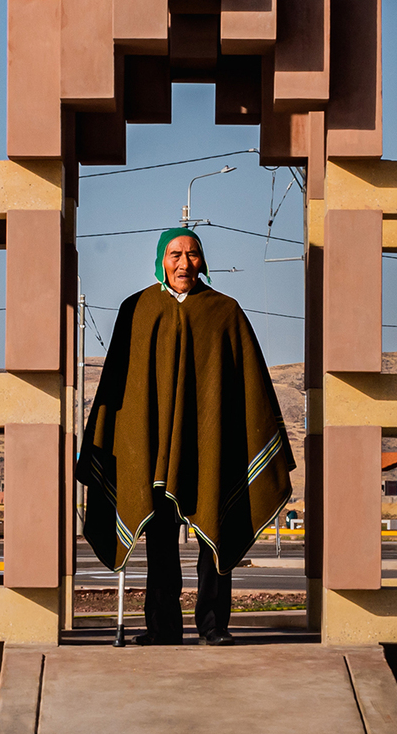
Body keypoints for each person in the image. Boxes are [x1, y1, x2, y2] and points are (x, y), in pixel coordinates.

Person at [80, 228, 294, 646]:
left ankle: (214, 627)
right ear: (161, 259)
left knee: (216, 532)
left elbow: (247, 388)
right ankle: (162, 628)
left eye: (193, 254)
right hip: (154, 450)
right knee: (160, 542)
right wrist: (122, 442)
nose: (184, 263)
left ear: (203, 261)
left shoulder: (224, 312)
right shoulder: (137, 309)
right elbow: (121, 387)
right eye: (175, 254)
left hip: (209, 449)